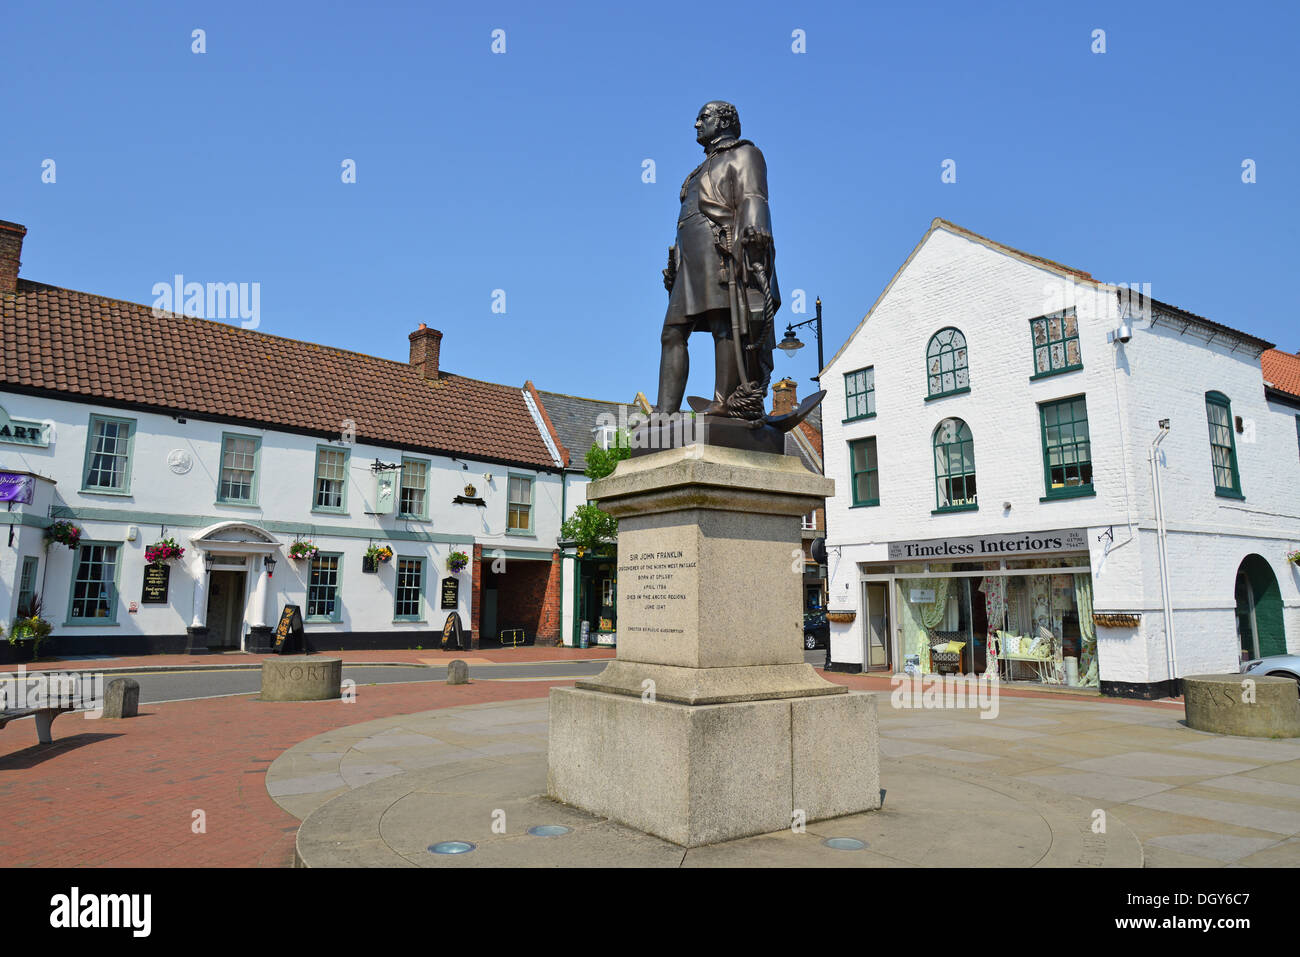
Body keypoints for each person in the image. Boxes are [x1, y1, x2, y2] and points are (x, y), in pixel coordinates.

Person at [655, 101, 780, 418]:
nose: (697, 124)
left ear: (724, 121)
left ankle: (724, 401)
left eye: (703, 118)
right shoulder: (697, 170)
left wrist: (755, 229)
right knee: (672, 331)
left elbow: (754, 196)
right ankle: (664, 413)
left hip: (721, 247)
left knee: (723, 322)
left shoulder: (745, 154)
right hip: (690, 259)